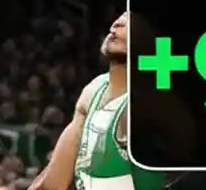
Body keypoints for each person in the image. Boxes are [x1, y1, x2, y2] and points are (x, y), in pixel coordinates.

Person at [31, 12, 175, 190]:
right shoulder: (94, 89)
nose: (116, 24)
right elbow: (52, 183)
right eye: (121, 17)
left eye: (131, 23)